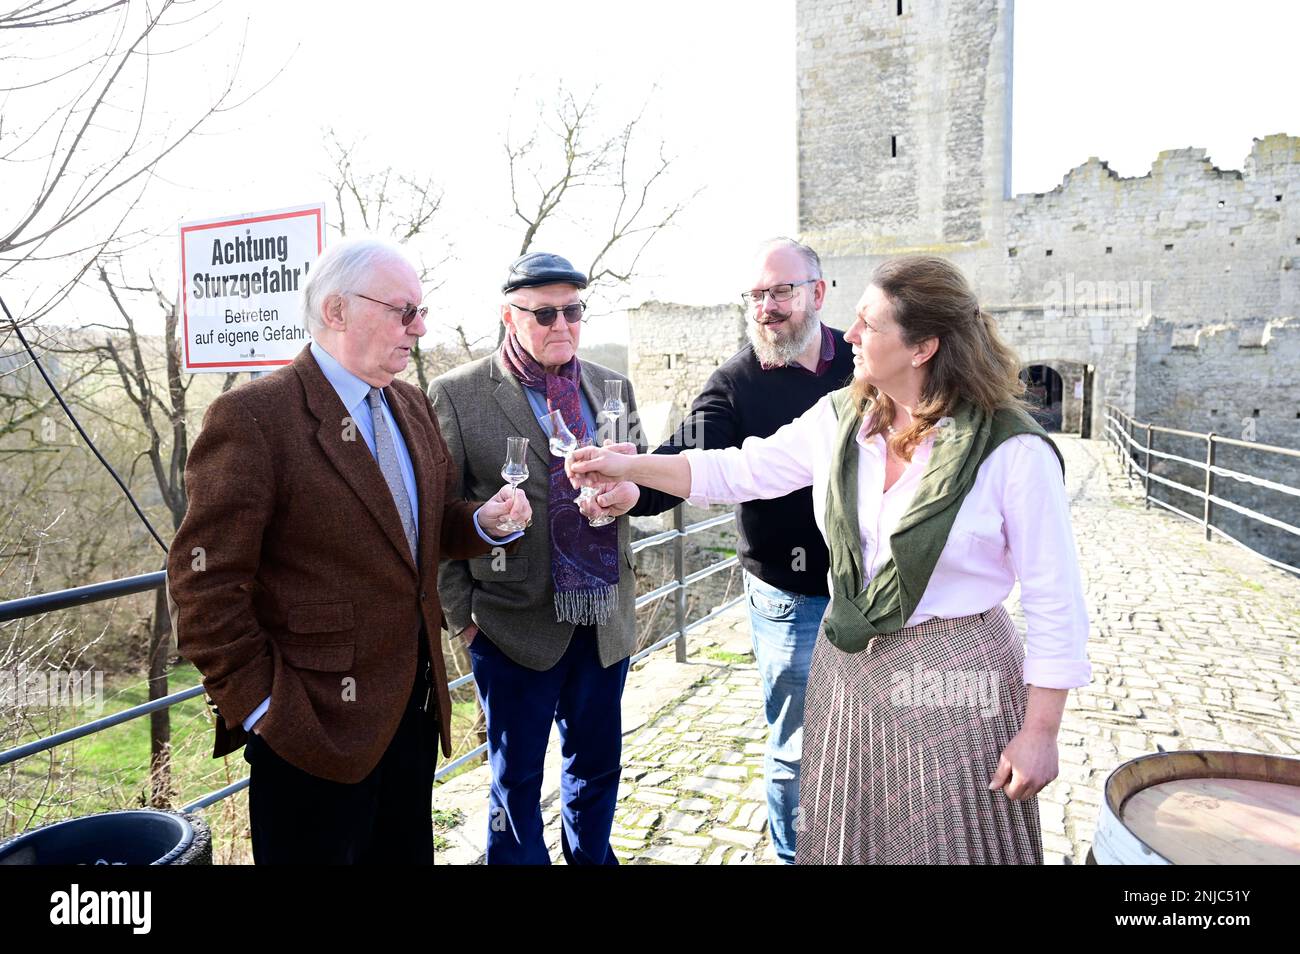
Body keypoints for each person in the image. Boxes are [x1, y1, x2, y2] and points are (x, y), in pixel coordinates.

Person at [570, 255, 1092, 864]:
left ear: (922, 346)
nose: (849, 335)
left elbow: (1055, 600)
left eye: (868, 325)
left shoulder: (1012, 449)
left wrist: (1040, 733)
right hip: (851, 666)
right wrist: (629, 466)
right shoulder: (843, 419)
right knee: (860, 836)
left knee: (945, 841)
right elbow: (739, 469)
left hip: (957, 675)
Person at [167, 238, 530, 864]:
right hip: (310, 731)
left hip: (412, 719)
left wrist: (486, 523)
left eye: (420, 310)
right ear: (336, 311)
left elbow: (421, 529)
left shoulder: (409, 404)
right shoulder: (255, 417)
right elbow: (204, 585)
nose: (420, 326)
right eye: (403, 310)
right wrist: (263, 709)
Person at [628, 237, 853, 864]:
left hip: (876, 592)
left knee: (875, 736)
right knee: (797, 749)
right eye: (755, 295)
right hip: (789, 594)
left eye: (780, 291)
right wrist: (629, 487)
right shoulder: (736, 379)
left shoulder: (865, 362)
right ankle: (793, 857)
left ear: (817, 291)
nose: (766, 307)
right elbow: (687, 456)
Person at [429, 251, 646, 865]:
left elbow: (647, 475)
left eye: (573, 311)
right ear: (509, 316)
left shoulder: (610, 386)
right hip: (511, 624)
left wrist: (630, 492)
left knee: (598, 768)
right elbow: (439, 520)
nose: (562, 325)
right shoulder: (457, 394)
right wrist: (463, 620)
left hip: (605, 616)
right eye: (545, 312)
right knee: (516, 782)